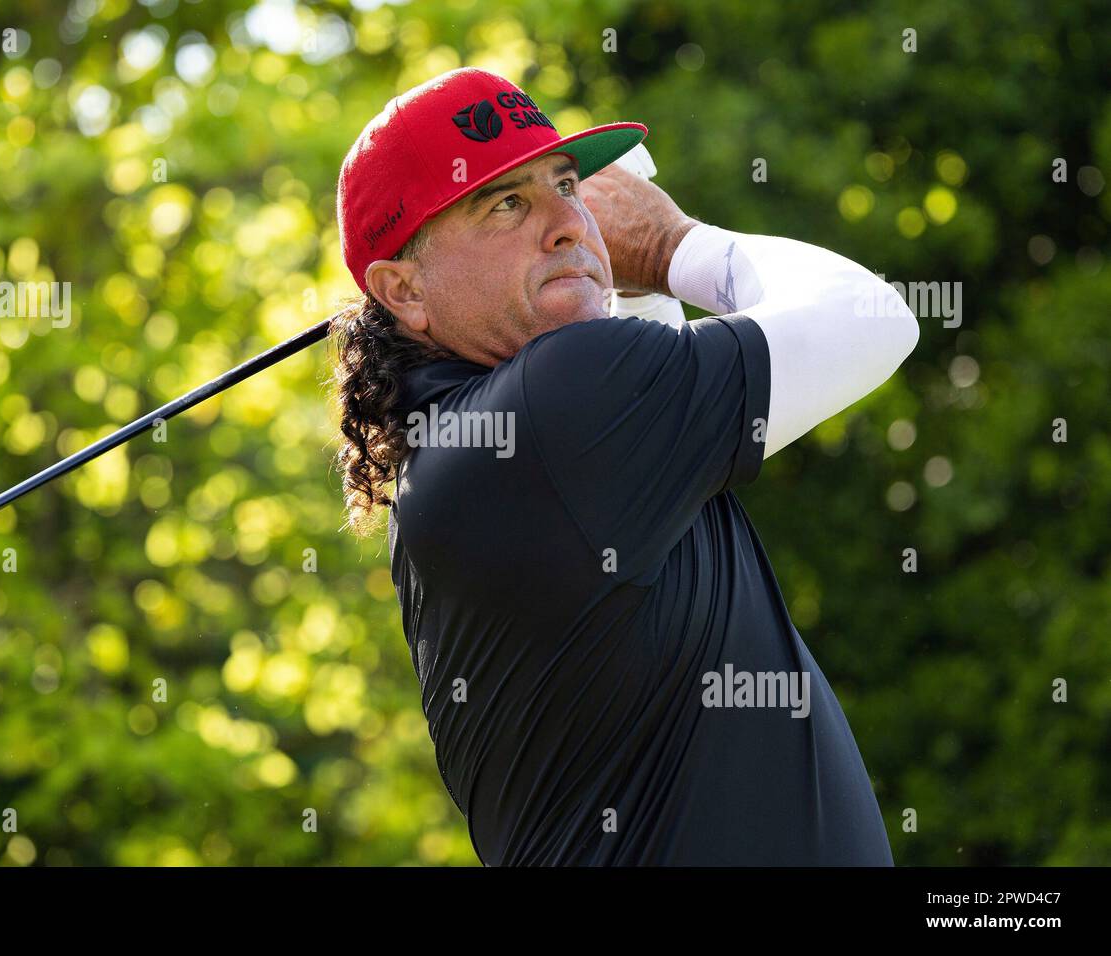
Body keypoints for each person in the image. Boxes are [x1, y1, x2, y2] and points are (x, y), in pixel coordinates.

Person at [331, 67, 918, 865]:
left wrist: (615, 277)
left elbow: (641, 361)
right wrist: (677, 246)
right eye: (506, 203)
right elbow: (874, 319)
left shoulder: (486, 442)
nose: (568, 224)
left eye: (566, 185)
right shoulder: (556, 406)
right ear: (404, 291)